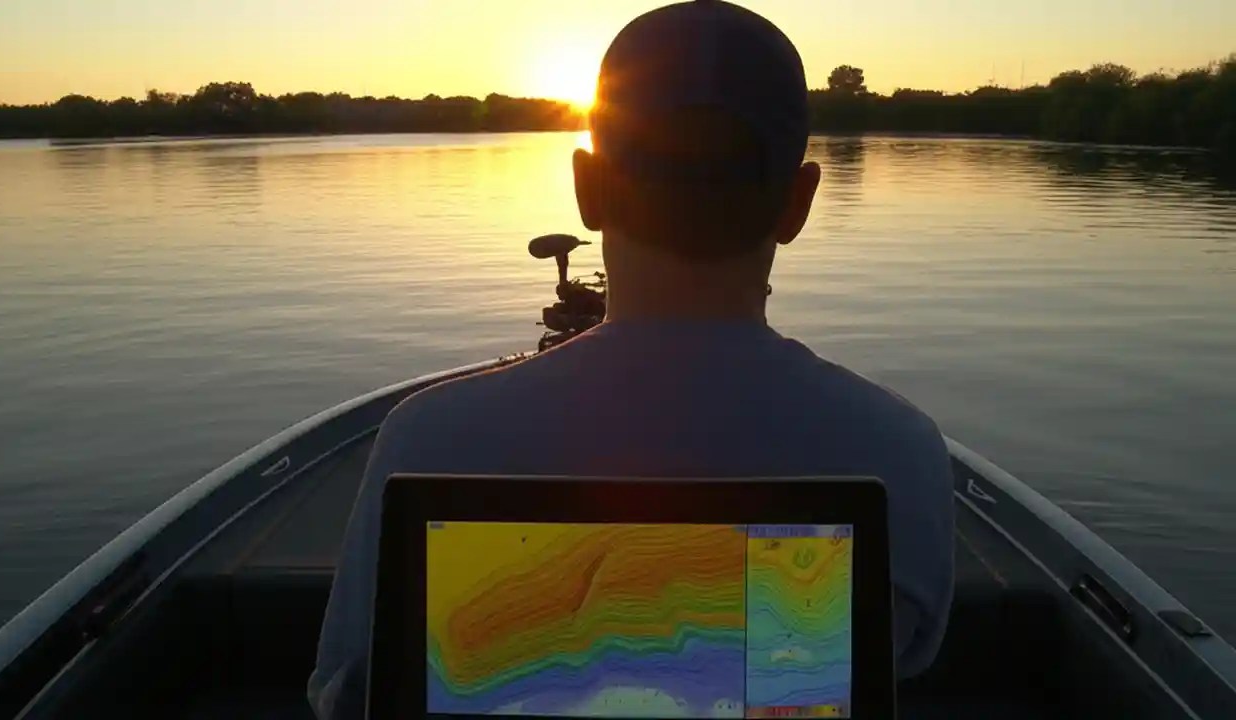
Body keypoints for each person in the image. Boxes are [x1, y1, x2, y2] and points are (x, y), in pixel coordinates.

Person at [309, 1, 954, 717]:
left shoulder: (427, 442)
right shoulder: (900, 454)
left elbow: (348, 696)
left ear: (587, 188)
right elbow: (899, 671)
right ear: (798, 203)